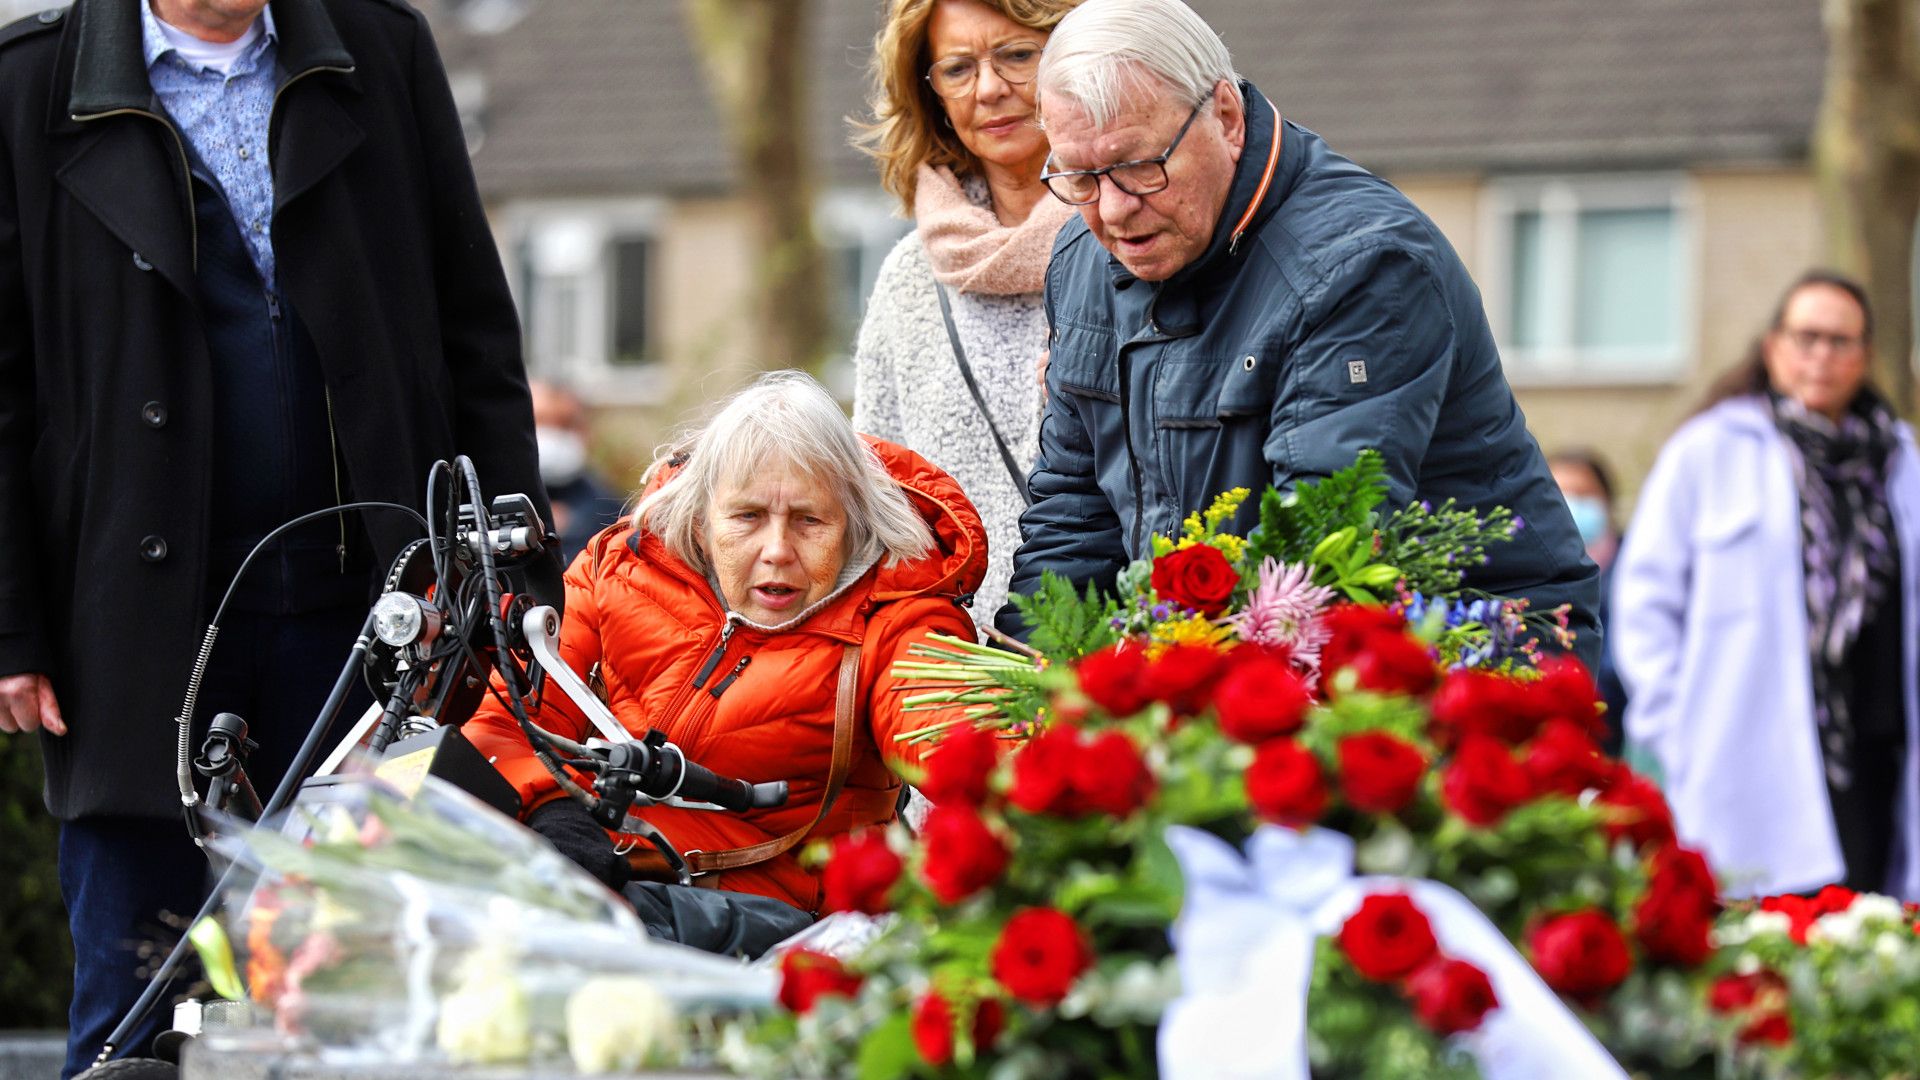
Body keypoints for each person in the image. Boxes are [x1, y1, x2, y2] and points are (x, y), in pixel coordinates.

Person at [0, 1, 551, 1072]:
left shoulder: (379, 50)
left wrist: (507, 573)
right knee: (137, 1002)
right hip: (132, 637)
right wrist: (9, 622)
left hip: (381, 624)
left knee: (374, 1002)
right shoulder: (28, 82)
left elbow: (474, 327)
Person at [996, 0, 1600, 667]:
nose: (1111, 210)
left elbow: (1317, 554)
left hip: (1470, 660)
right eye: (1079, 177)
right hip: (1234, 658)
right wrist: (1026, 700)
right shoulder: (1084, 256)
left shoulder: (1362, 264)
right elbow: (1072, 522)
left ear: (1225, 117)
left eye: (1141, 166)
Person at [464, 371, 987, 954]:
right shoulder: (618, 570)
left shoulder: (897, 617)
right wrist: (555, 816)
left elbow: (968, 743)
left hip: (784, 934)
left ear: (853, 524)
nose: (778, 551)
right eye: (747, 517)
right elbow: (505, 723)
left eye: (810, 521)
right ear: (701, 518)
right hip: (600, 886)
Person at [1613, 271, 1920, 899]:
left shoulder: (1900, 460)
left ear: (1864, 357)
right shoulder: (1710, 451)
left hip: (1877, 755)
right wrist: (1677, 734)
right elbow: (1646, 604)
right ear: (1773, 346)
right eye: (1807, 337)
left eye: (1840, 341)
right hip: (1746, 756)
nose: (1821, 356)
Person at [852, 0, 1080, 634]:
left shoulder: (1136, 239)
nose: (988, 89)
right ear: (932, 97)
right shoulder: (909, 277)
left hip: (1121, 646)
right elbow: (874, 494)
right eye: (956, 69)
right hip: (959, 663)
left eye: (1016, 55)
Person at [1549, 449, 1629, 751]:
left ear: (1607, 503)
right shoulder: (1529, 572)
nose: (1572, 506)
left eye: (1584, 495)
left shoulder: (1635, 569)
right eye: (1560, 494)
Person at [532, 378, 624, 564]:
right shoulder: (485, 499)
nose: (552, 434)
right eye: (540, 422)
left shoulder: (611, 512)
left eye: (564, 424)